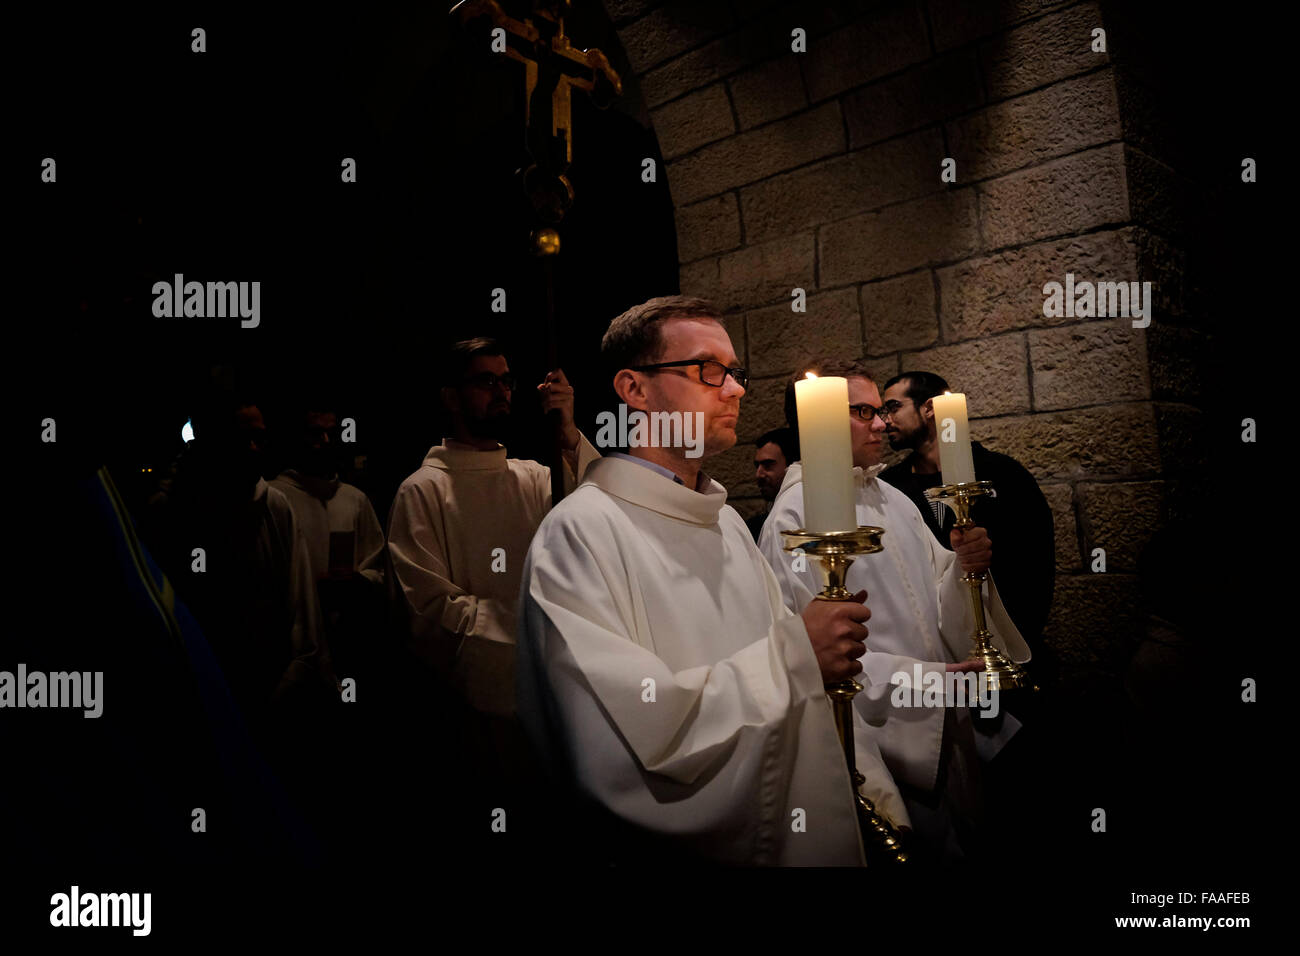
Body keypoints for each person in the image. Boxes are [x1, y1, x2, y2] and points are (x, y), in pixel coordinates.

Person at [517, 296, 907, 866]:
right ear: (634, 389)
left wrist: (872, 791)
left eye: (736, 372)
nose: (736, 390)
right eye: (709, 370)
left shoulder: (725, 522)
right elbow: (621, 753)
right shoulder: (579, 535)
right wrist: (797, 655)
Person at [758, 357, 1030, 862]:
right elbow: (808, 652)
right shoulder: (793, 517)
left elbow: (936, 586)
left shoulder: (892, 498)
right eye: (863, 412)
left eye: (880, 410)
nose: (881, 423)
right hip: (888, 734)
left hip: (944, 715)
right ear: (817, 421)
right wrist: (930, 680)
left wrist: (963, 568)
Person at [386, 338, 600, 808]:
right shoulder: (422, 491)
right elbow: (428, 612)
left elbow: (607, 515)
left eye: (506, 381)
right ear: (450, 396)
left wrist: (568, 434)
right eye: (485, 381)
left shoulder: (536, 478)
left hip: (557, 704)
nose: (501, 391)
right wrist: (535, 635)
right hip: (480, 712)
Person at [878, 372, 1055, 662]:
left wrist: (1019, 637)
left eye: (894, 407)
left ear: (930, 408)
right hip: (928, 653)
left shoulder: (1002, 474)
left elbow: (1036, 558)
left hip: (1005, 646)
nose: (885, 420)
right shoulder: (890, 486)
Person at [270, 405, 387, 680]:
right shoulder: (275, 497)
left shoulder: (354, 499)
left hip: (349, 637)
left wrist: (359, 582)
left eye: (330, 434)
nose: (324, 442)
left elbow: (381, 567)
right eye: (315, 433)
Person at [745, 426, 798, 542]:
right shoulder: (752, 528)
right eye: (757, 466)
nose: (759, 474)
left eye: (768, 465)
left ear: (791, 466)